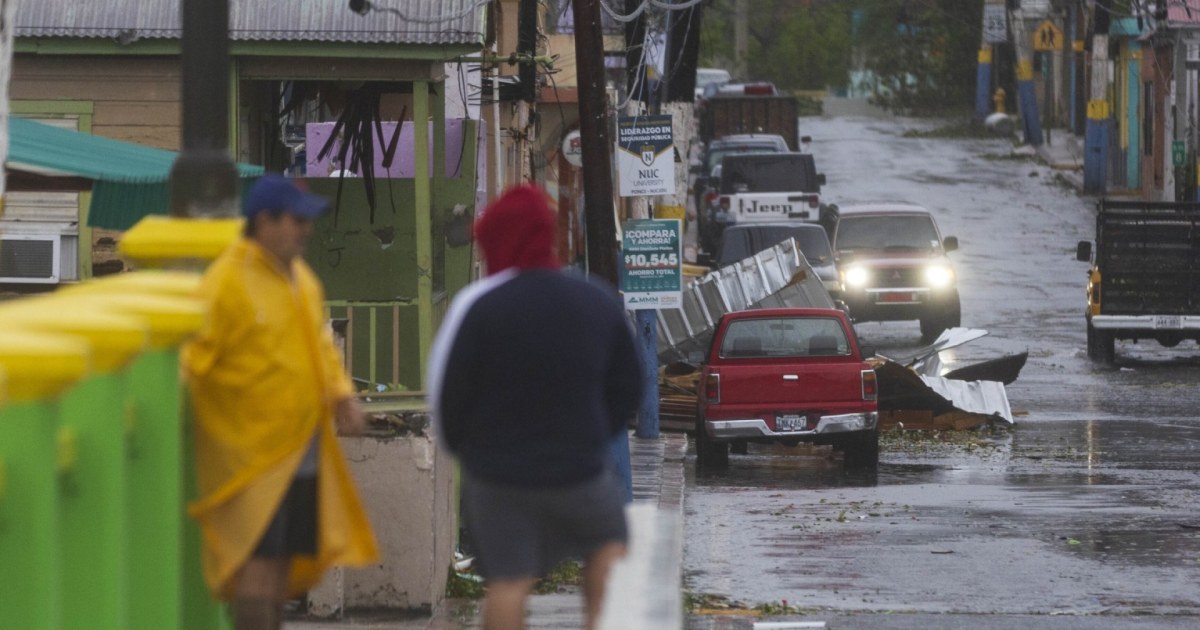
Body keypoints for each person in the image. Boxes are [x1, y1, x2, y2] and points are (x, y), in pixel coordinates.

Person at [428, 184, 644, 630]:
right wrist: (593, 432)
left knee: (508, 581)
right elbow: (630, 384)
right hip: (578, 470)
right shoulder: (595, 299)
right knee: (609, 549)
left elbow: (448, 395)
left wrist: (467, 452)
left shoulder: (479, 307)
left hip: (496, 476)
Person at [182, 173, 379, 630]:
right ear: (263, 221)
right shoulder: (226, 281)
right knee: (256, 567)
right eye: (296, 220)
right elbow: (191, 359)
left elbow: (321, 347)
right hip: (251, 456)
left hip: (300, 451)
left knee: (282, 572)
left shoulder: (302, 281)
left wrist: (341, 396)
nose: (306, 230)